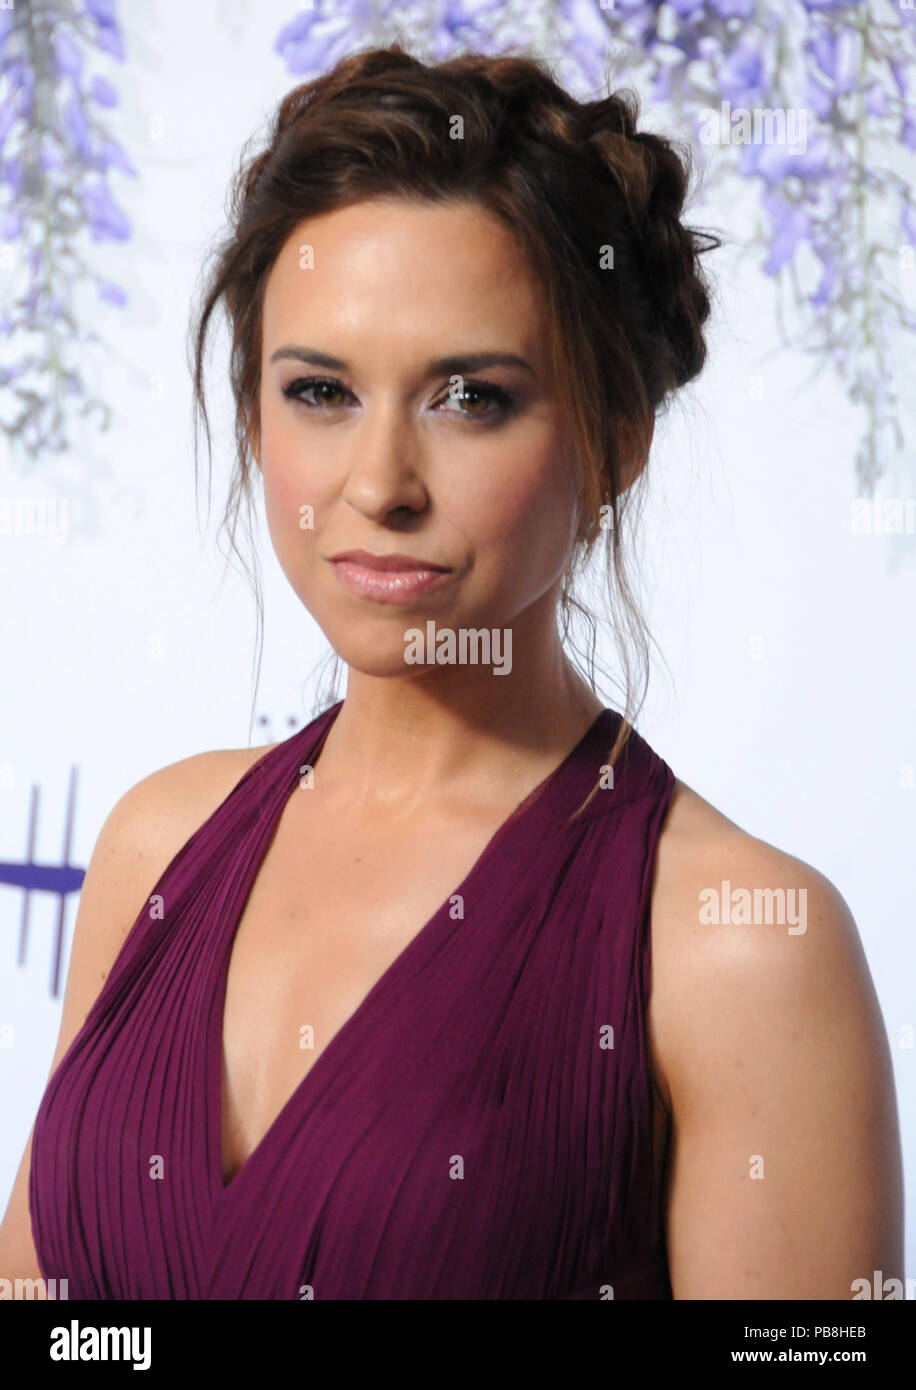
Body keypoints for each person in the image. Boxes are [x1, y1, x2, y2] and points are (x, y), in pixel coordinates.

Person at [1, 44, 902, 1300]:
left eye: (470, 397)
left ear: (615, 441)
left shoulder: (737, 946)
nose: (377, 486)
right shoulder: (157, 845)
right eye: (319, 390)